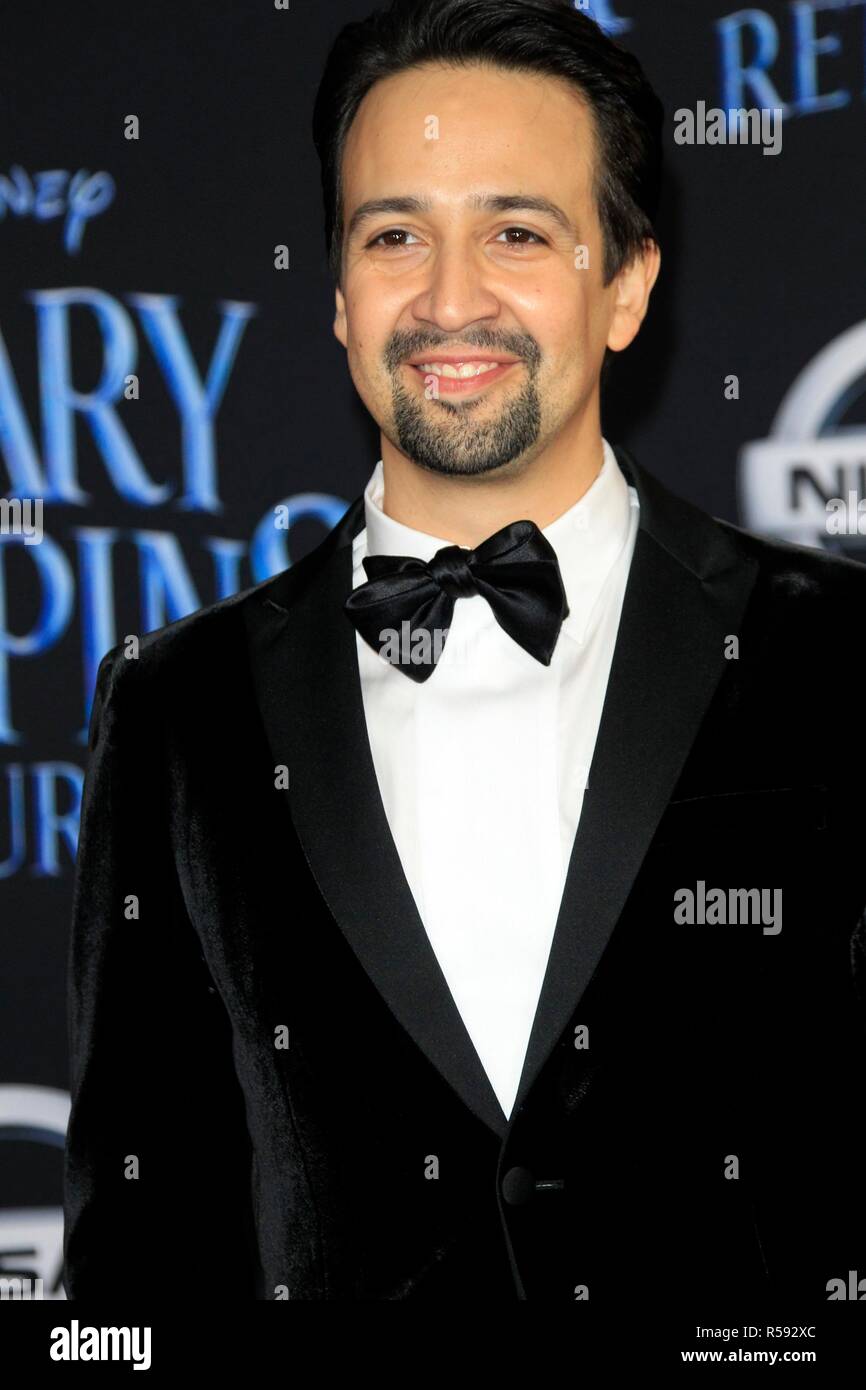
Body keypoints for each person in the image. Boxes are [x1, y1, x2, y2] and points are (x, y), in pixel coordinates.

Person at [63, 0, 866, 1303]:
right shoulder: (178, 706)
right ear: (335, 296)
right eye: (395, 236)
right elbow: (139, 1255)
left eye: (513, 233)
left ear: (624, 285)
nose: (447, 301)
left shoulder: (835, 655)